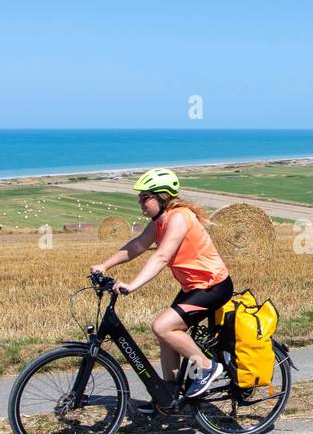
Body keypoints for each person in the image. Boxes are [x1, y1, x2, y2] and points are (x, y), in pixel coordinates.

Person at [91, 168, 234, 403]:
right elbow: (137, 245)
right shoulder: (160, 221)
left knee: (162, 326)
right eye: (140, 197)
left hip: (213, 287)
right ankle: (169, 394)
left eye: (145, 197)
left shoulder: (179, 217)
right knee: (166, 333)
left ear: (162, 197)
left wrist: (132, 285)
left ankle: (207, 367)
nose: (141, 202)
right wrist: (104, 265)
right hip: (194, 288)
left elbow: (161, 257)